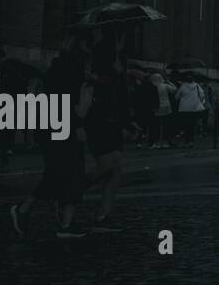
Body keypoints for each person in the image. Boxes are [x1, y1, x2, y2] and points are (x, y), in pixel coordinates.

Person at [11, 33, 95, 238]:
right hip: (60, 128)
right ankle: (25, 210)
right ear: (82, 44)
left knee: (66, 173)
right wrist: (79, 124)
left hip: (56, 128)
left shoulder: (66, 66)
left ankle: (64, 223)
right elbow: (66, 104)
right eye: (90, 42)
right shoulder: (71, 69)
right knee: (64, 172)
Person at [82, 36, 135, 232]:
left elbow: (122, 99)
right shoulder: (100, 68)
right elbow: (100, 93)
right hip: (98, 121)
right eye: (119, 38)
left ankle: (104, 214)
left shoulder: (121, 66)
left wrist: (129, 123)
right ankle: (70, 193)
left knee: (117, 167)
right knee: (106, 164)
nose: (123, 42)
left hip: (115, 122)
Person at [175, 74, 207, 147]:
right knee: (192, 126)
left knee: (186, 125)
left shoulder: (182, 86)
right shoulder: (197, 86)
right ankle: (191, 141)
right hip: (194, 108)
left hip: (184, 109)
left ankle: (186, 141)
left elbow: (177, 97)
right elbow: (202, 95)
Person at [150, 73, 172, 148]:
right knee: (166, 125)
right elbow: (174, 90)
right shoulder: (165, 85)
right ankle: (165, 142)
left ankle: (156, 142)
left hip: (156, 107)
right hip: (166, 107)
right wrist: (169, 82)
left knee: (156, 126)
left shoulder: (152, 86)